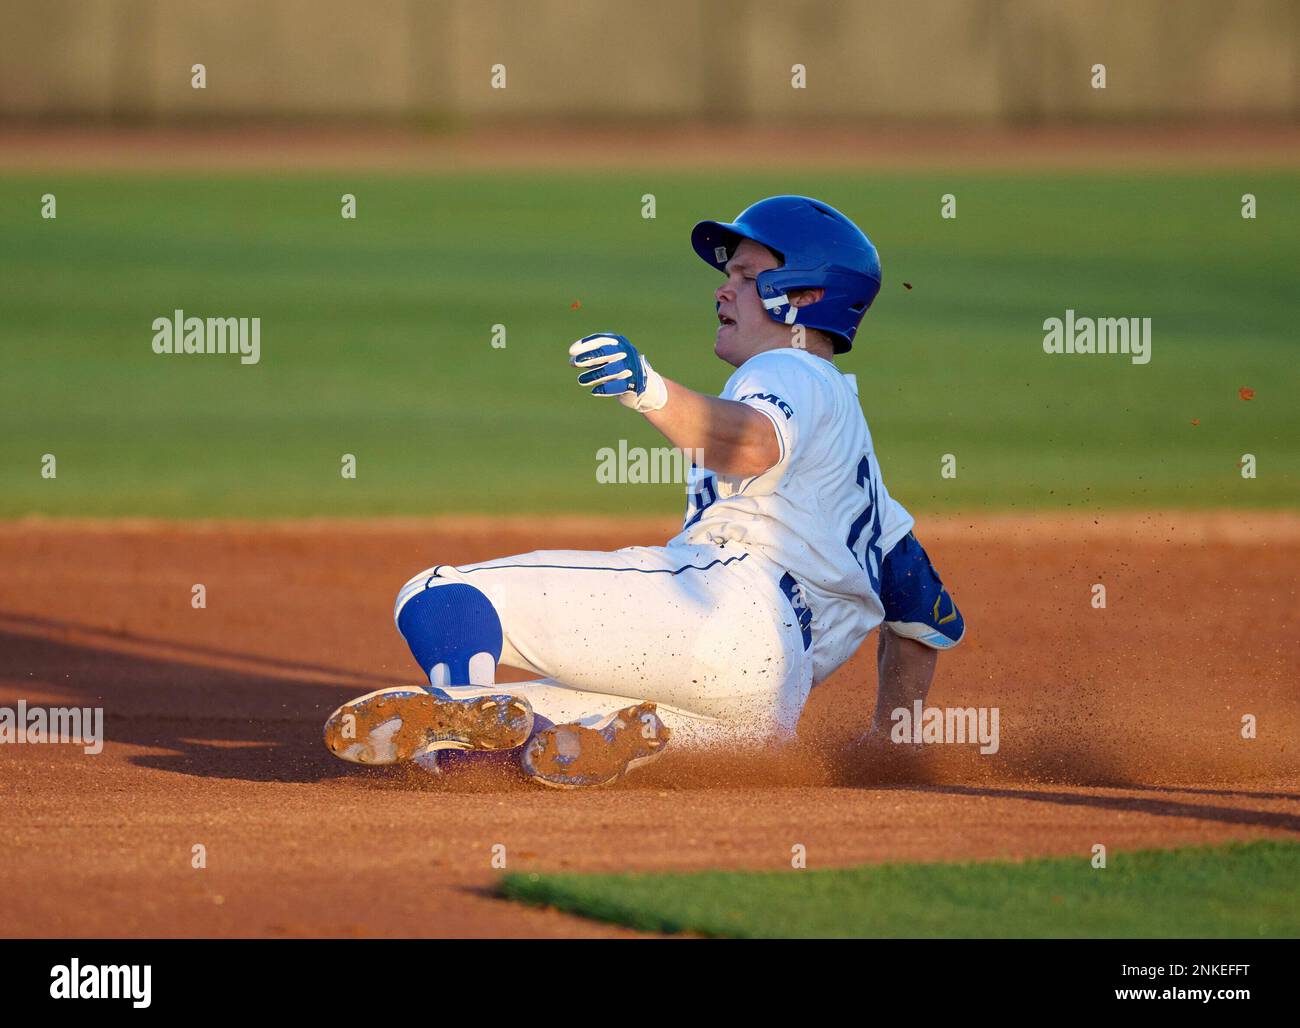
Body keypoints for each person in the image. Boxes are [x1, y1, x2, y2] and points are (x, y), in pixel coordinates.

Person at [323, 195, 964, 788]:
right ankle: (600, 739)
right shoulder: (866, 485)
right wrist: (889, 736)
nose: (724, 288)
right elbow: (925, 612)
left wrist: (649, 390)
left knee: (441, 596)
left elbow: (747, 444)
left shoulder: (789, 366)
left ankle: (462, 720)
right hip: (767, 703)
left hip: (722, 605)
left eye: (746, 276)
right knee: (532, 730)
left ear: (804, 296)